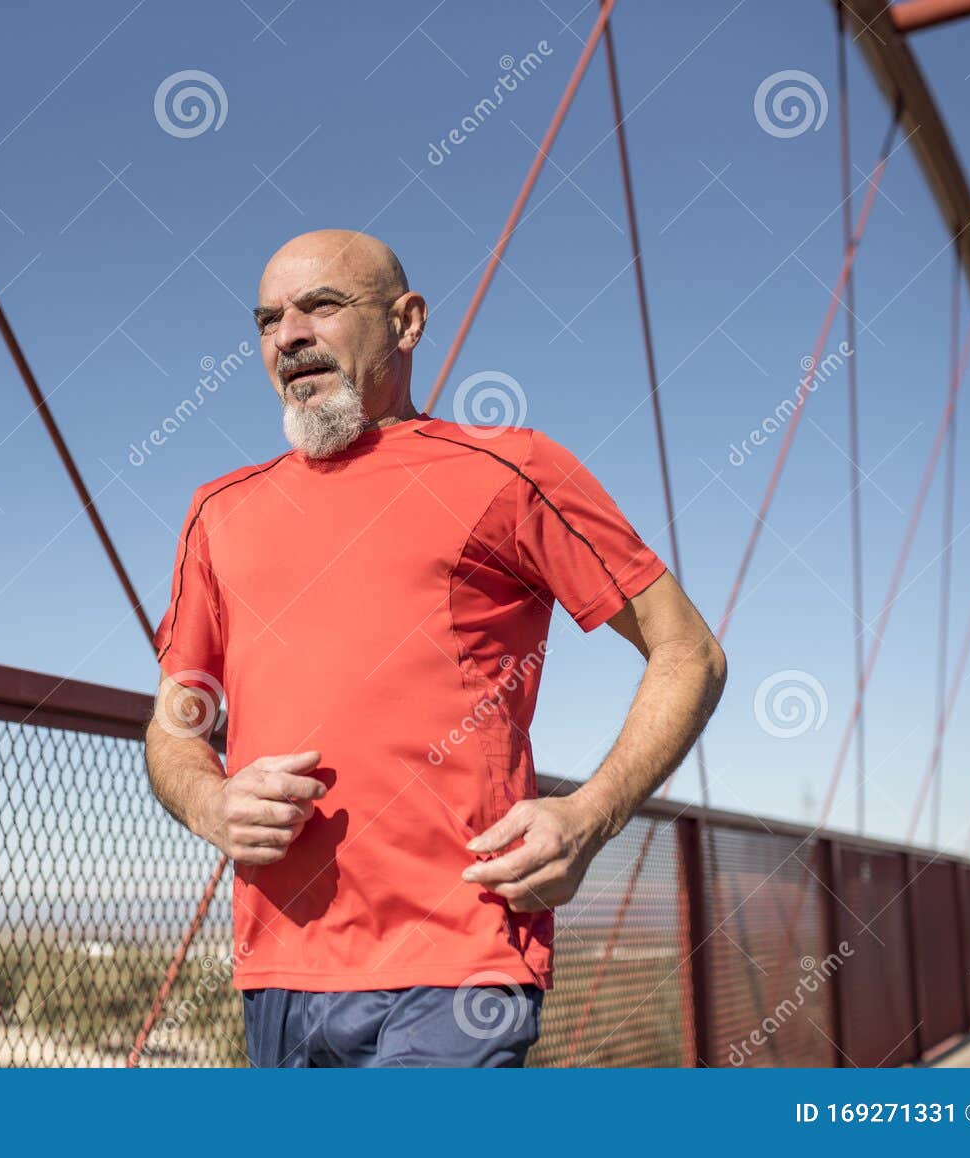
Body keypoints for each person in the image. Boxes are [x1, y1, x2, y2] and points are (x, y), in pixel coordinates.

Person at [144, 229, 726, 1067]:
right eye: (269, 320)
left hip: (459, 957)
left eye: (323, 307)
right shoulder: (217, 512)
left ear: (407, 321)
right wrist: (208, 804)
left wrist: (589, 817)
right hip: (277, 964)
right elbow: (175, 727)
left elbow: (689, 651)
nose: (289, 336)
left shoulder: (511, 468)